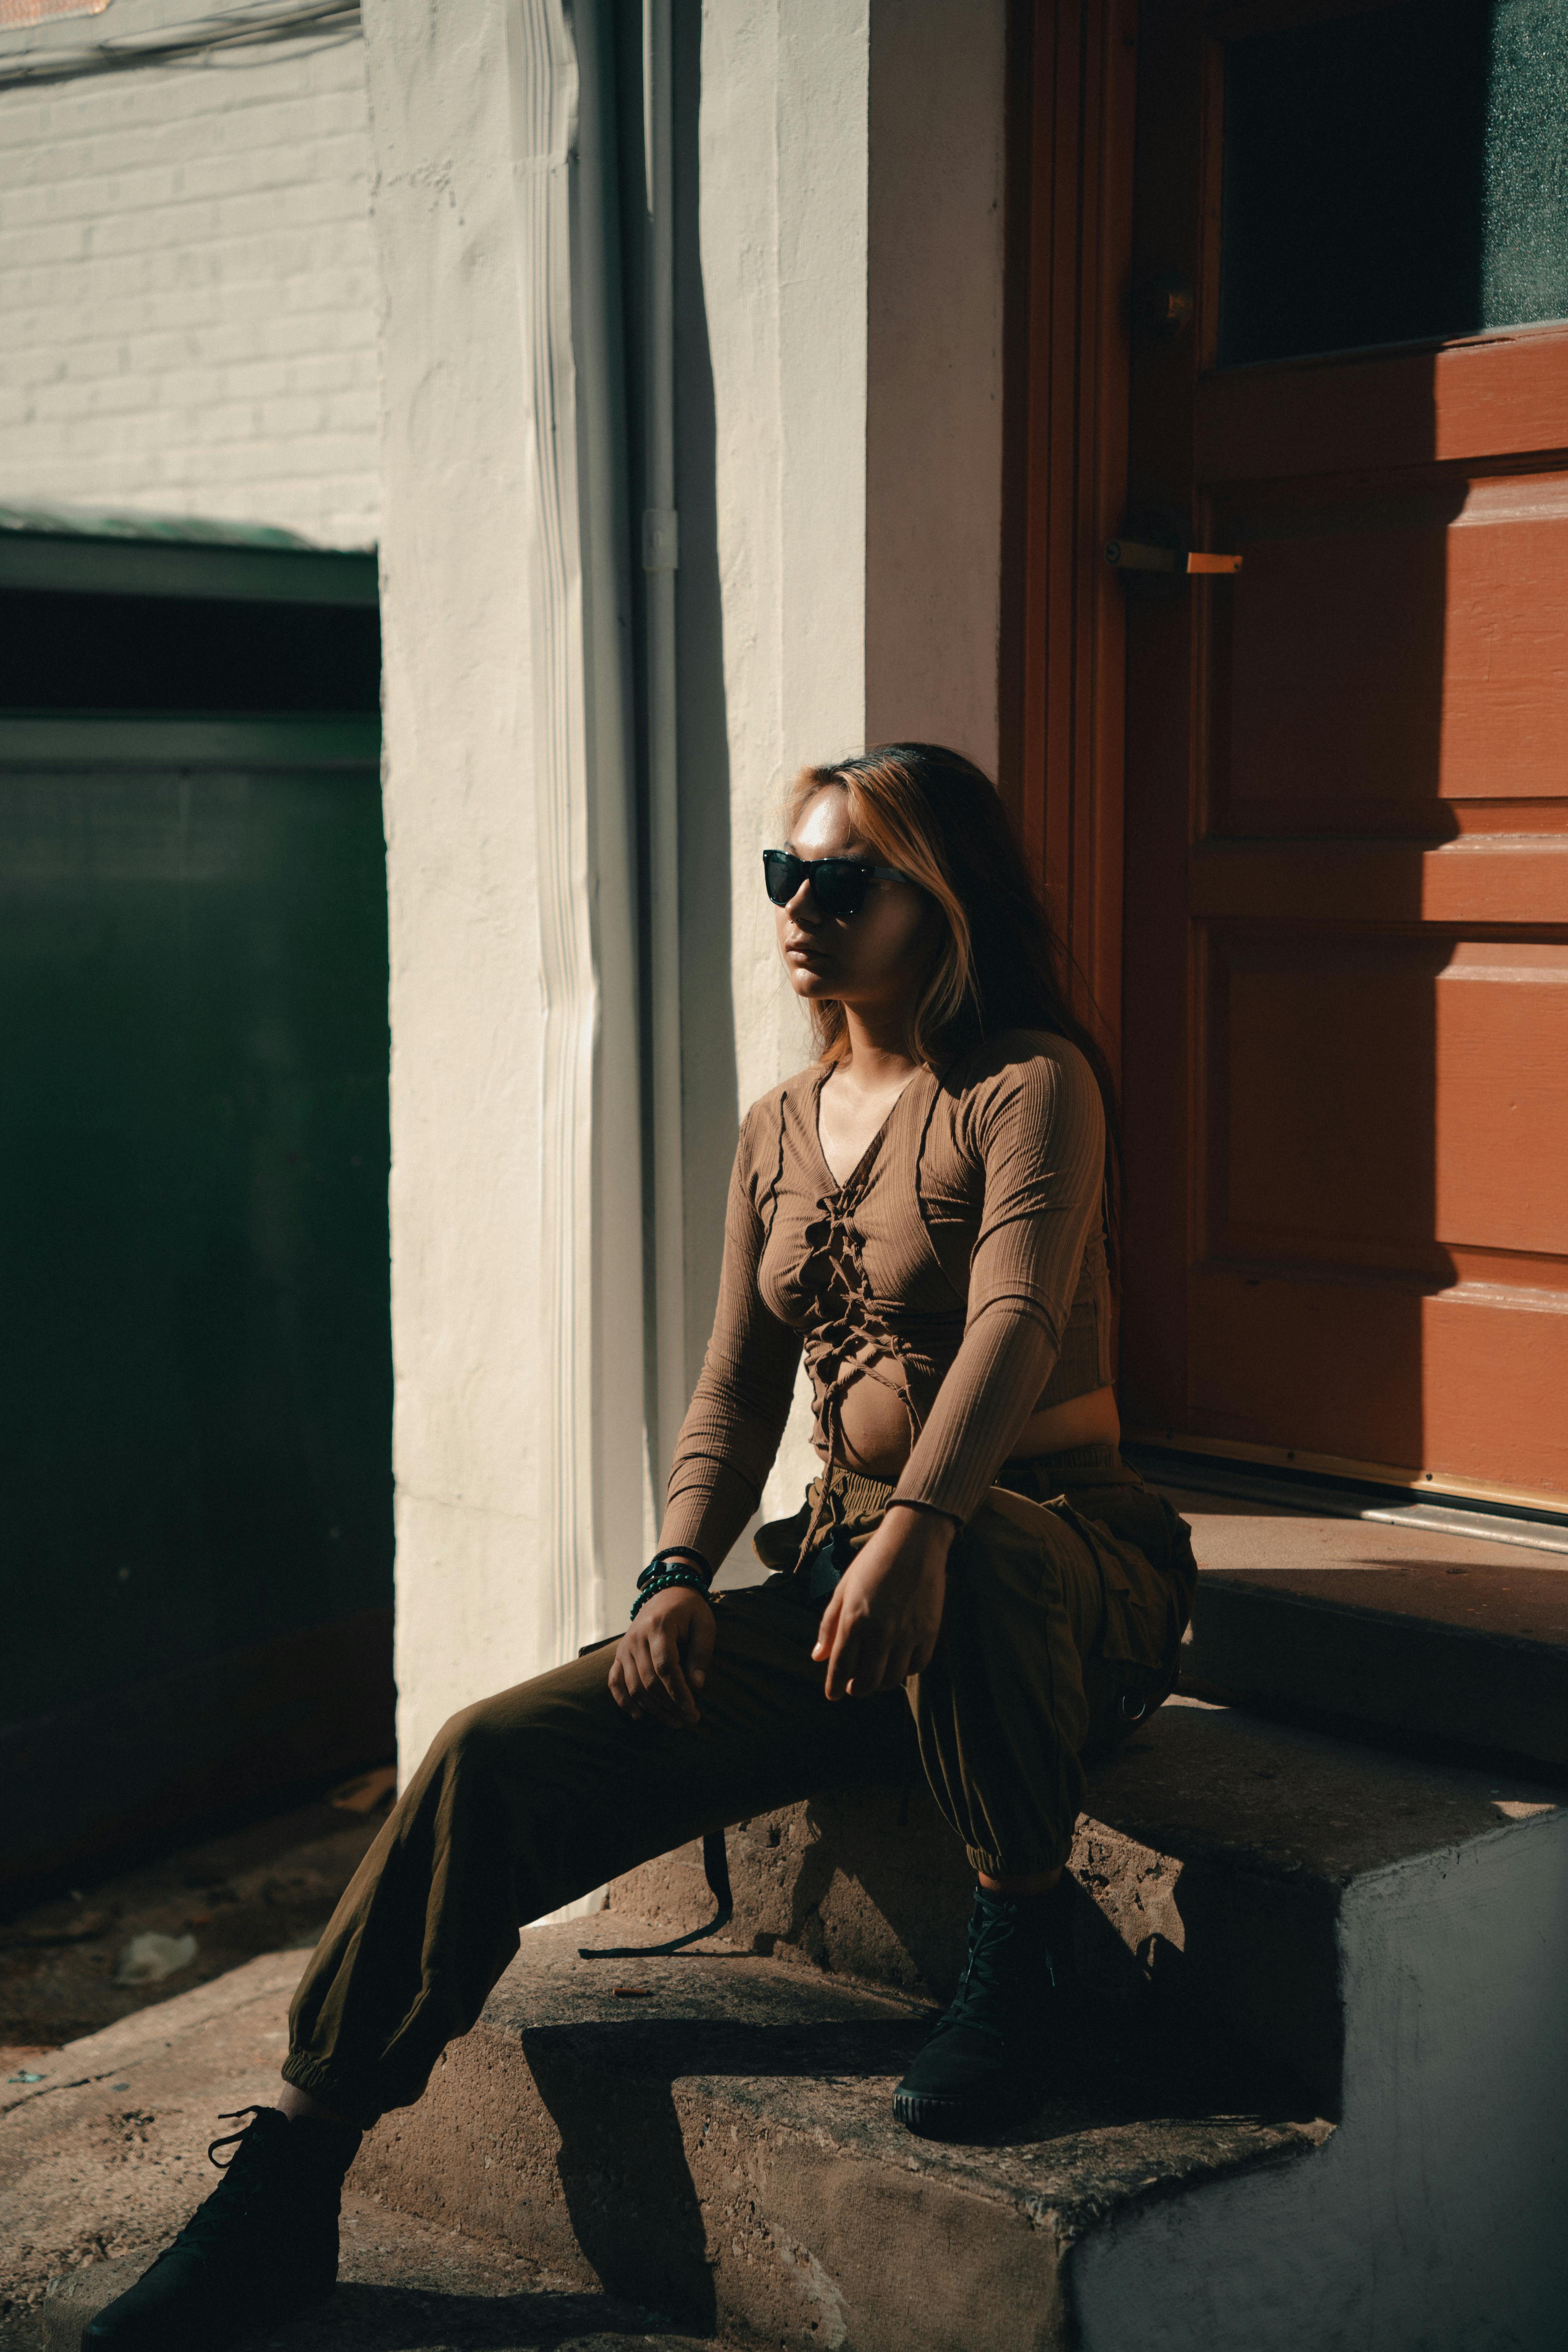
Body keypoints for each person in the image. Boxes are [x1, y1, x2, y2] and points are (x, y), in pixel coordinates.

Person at [87, 745, 1195, 2350]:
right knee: (493, 1754)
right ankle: (290, 2174)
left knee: (987, 1556)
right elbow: (735, 1393)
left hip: (1059, 1570)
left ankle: (1020, 1929)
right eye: (784, 875)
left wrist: (923, 1528)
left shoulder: (1025, 1085)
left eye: (844, 881)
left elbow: (1013, 1322)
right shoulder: (777, 1127)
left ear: (943, 902)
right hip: (844, 1579)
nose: (799, 909)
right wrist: (675, 1575)